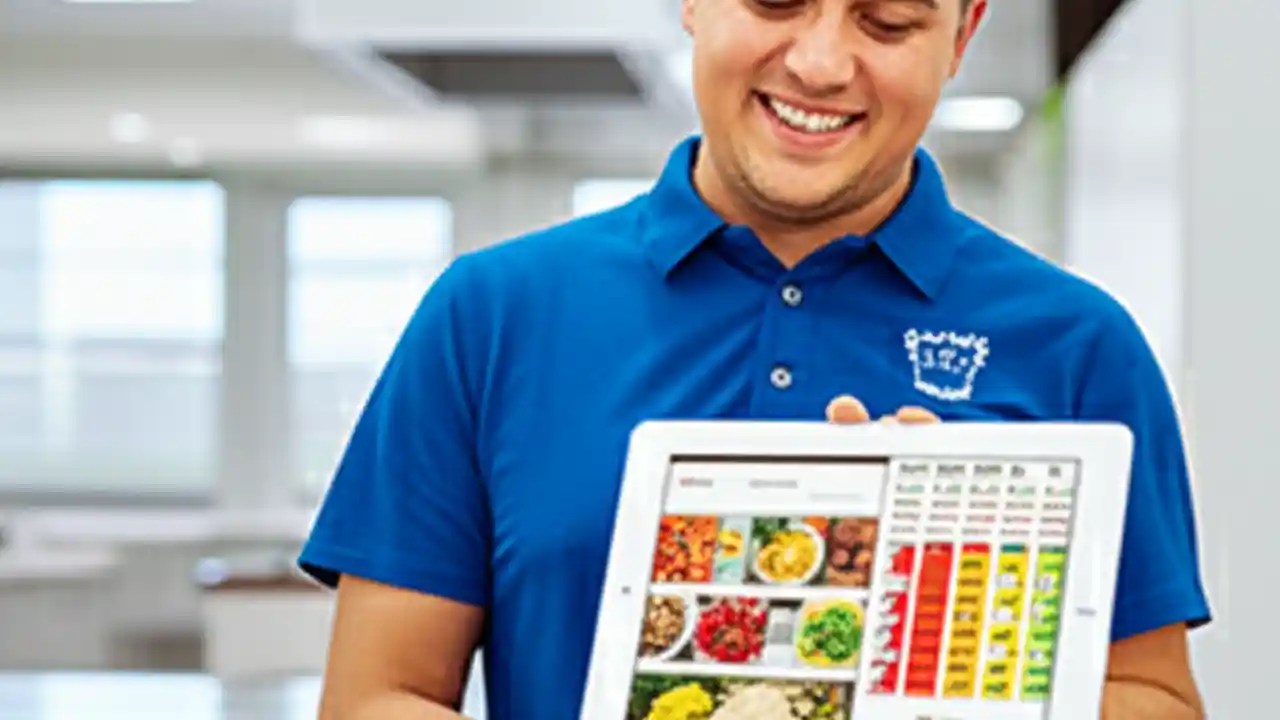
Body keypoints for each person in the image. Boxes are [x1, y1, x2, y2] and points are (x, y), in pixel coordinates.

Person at [299, 0, 1210, 718]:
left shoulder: (1081, 346)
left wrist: (965, 644)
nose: (820, 62)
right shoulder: (490, 316)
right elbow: (376, 698)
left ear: (962, 32)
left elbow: (1159, 700)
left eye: (887, 20)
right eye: (776, 1)